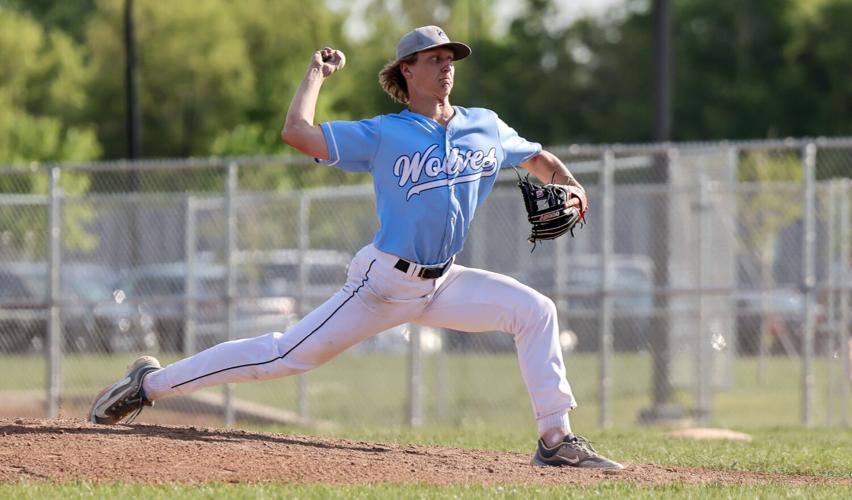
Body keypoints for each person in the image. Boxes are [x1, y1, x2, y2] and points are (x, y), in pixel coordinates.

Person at [89, 25, 623, 470]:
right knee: (284, 356)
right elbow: (297, 132)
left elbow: (540, 159)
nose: (445, 66)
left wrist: (572, 185)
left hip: (444, 282)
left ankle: (555, 441)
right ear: (406, 72)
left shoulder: (484, 125)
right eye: (432, 59)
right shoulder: (385, 133)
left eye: (449, 58)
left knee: (535, 311)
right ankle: (149, 385)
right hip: (382, 284)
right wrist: (315, 75)